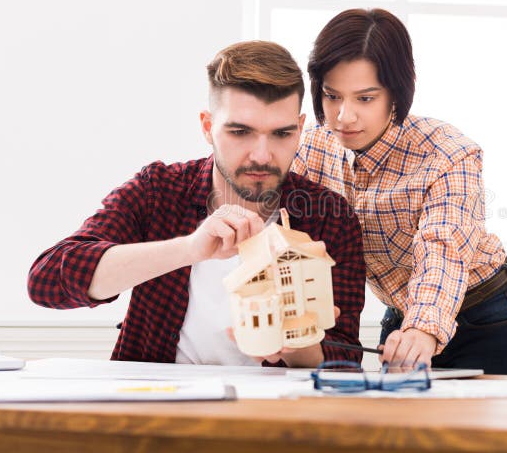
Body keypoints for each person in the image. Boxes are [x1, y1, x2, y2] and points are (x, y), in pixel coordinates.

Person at [29, 41, 366, 367]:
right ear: (208, 127)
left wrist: (295, 345)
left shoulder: (330, 217)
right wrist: (190, 249)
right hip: (160, 407)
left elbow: (344, 358)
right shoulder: (158, 190)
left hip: (273, 416)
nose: (262, 155)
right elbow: (46, 281)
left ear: (300, 129)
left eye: (281, 134)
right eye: (240, 132)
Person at [292, 9, 507, 374]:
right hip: (403, 316)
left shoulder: (448, 152)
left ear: (396, 93)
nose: (344, 116)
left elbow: (443, 246)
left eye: (365, 98)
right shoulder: (311, 146)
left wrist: (424, 329)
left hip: (488, 318)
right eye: (332, 96)